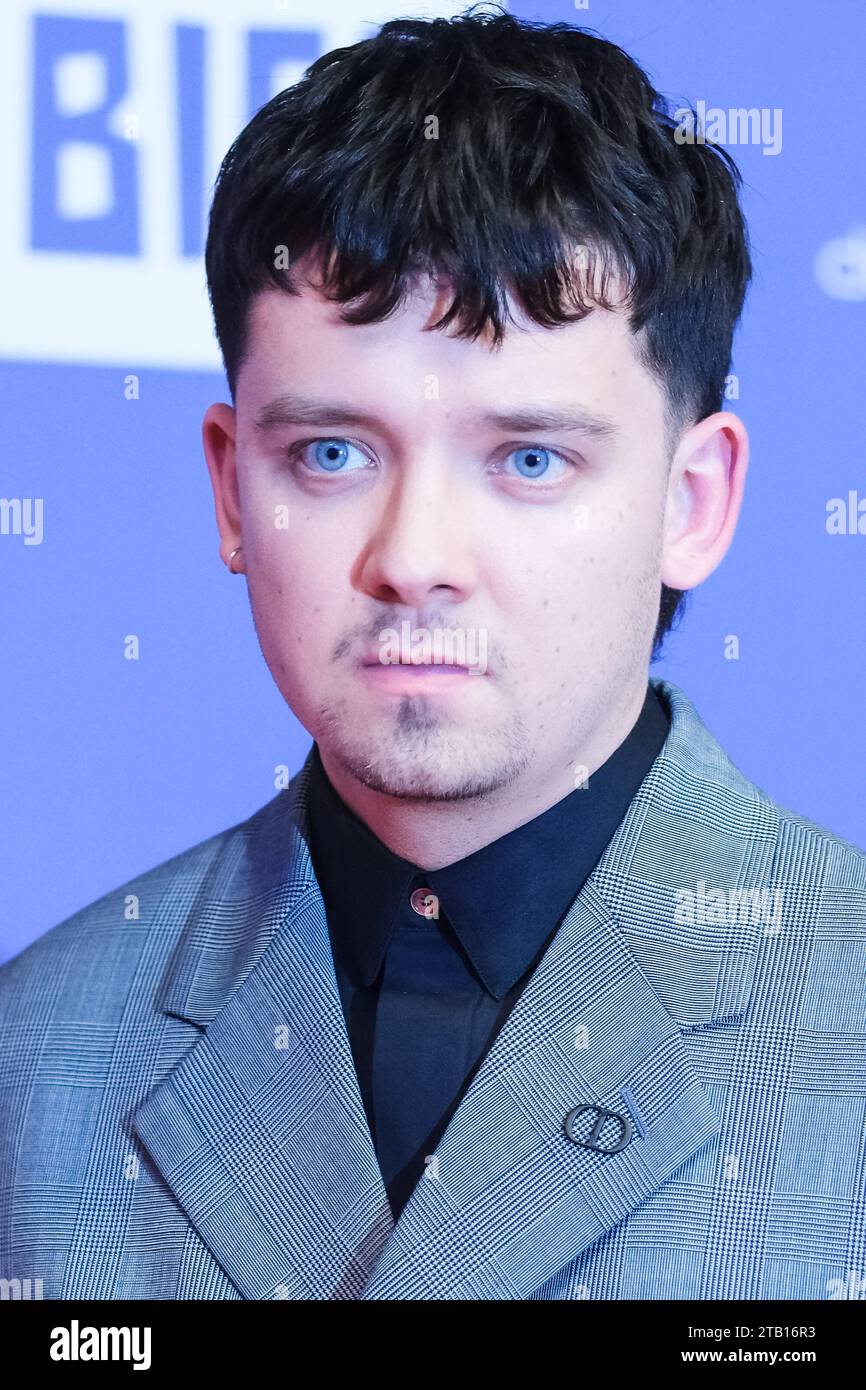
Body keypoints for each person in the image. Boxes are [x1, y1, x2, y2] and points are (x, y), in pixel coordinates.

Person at [2, 5, 864, 1302]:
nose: (415, 554)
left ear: (692, 501)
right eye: (331, 454)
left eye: (528, 458)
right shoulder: (35, 1062)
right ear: (234, 493)